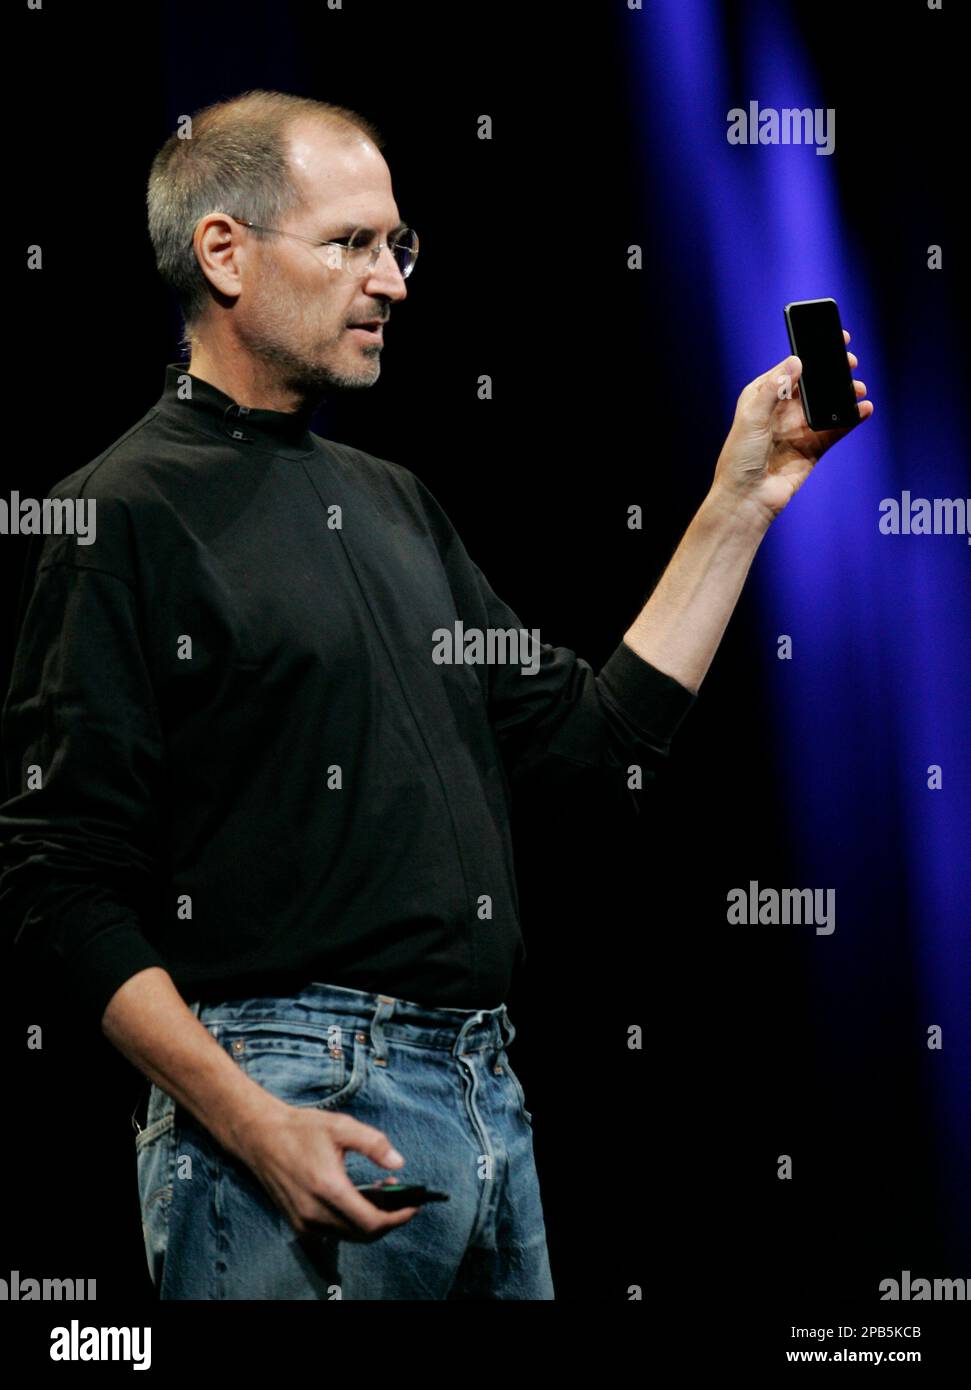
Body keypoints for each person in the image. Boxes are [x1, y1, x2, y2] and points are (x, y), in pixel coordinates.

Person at [0, 90, 871, 1300]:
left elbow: (589, 747)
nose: (394, 281)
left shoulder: (399, 502)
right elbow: (59, 884)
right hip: (287, 1103)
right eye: (353, 243)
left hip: (483, 1105)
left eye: (398, 245)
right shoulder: (118, 516)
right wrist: (253, 1119)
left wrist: (740, 499)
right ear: (223, 252)